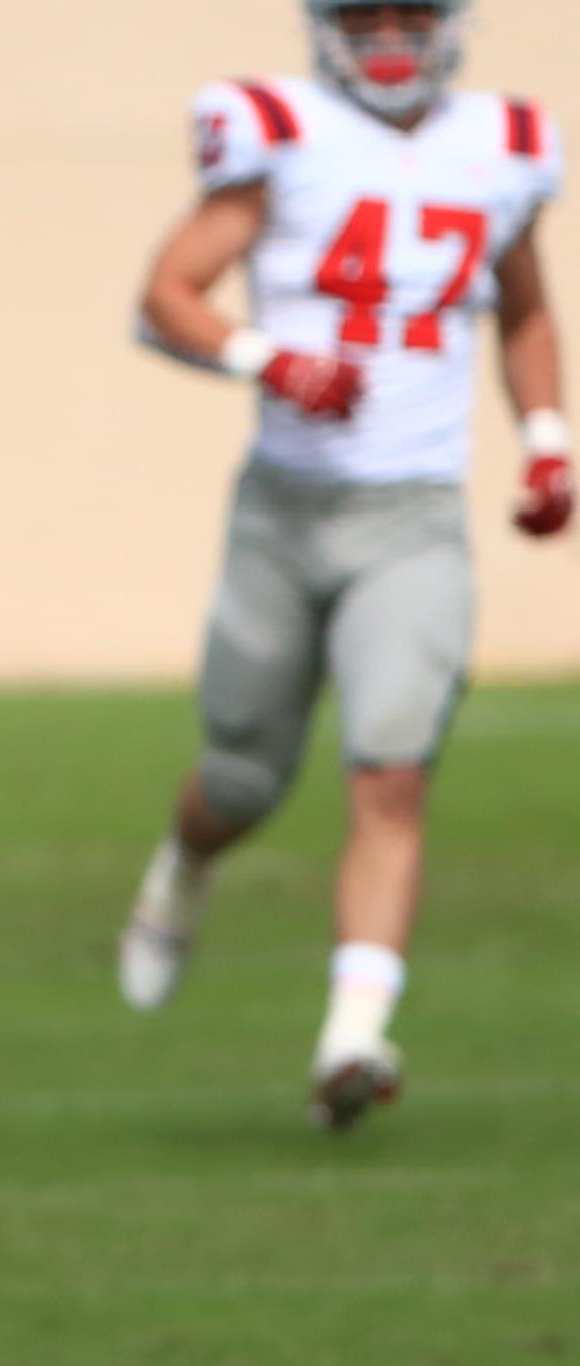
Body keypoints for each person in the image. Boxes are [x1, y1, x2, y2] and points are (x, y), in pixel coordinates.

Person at [119, 0, 564, 1129]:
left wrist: (550, 438)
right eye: (368, 12)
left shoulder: (499, 146)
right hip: (287, 509)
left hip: (415, 511)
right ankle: (182, 864)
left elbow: (523, 310)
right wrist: (274, 360)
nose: (391, 36)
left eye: (413, 11)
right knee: (243, 779)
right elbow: (169, 294)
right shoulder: (277, 133)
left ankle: (352, 1037)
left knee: (392, 768)